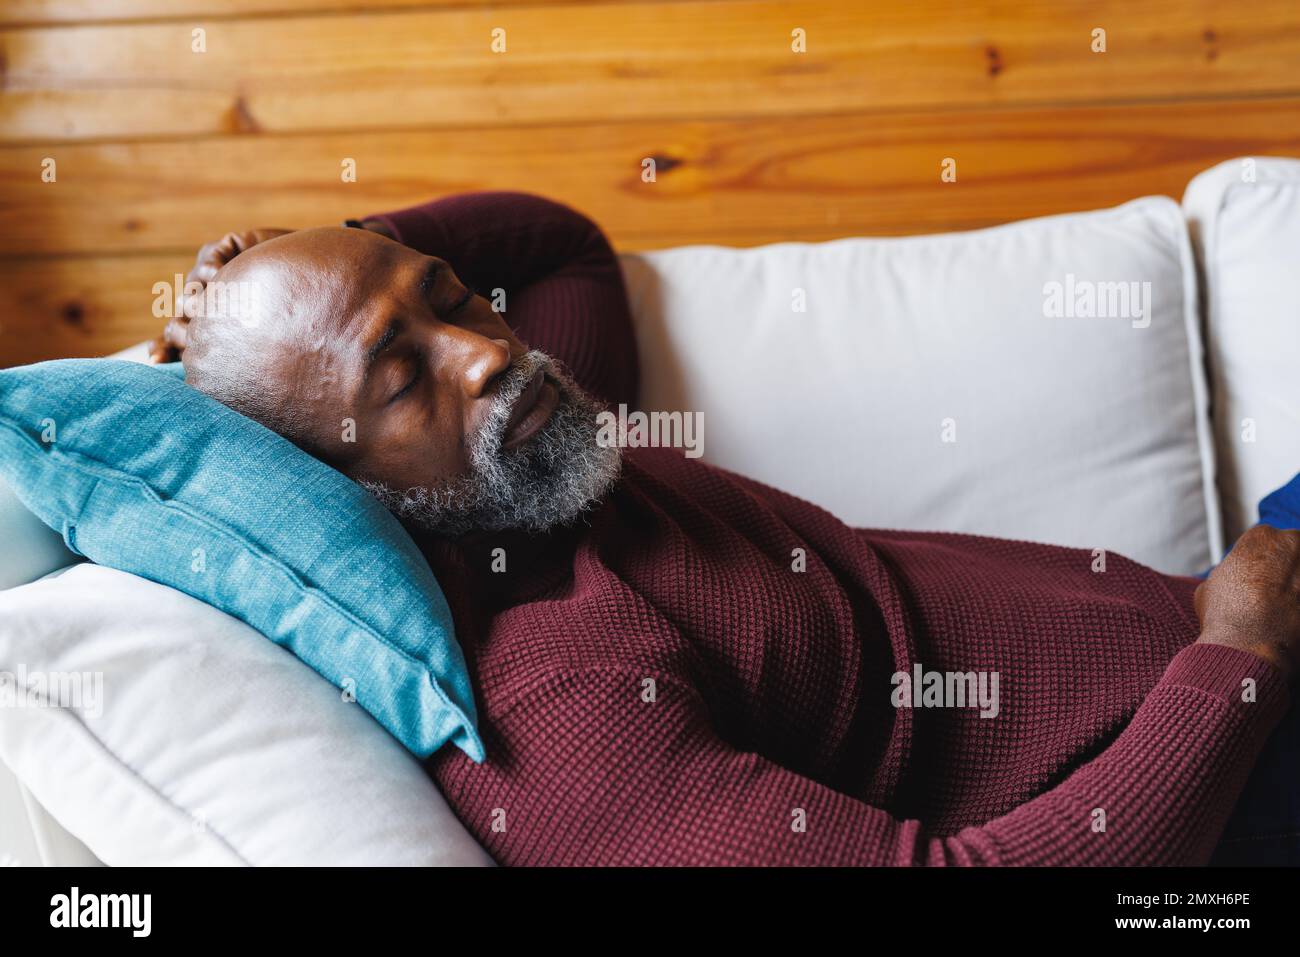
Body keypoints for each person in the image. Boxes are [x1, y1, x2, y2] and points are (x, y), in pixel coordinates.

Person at [149, 191, 1298, 866]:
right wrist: (1236, 663)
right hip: (1230, 783)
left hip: (1224, 614)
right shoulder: (554, 712)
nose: (486, 349)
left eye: (447, 296)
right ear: (330, 479)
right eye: (402, 377)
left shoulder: (549, 462)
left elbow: (558, 250)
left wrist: (341, 255)